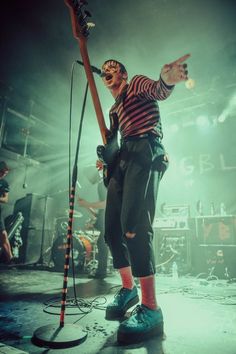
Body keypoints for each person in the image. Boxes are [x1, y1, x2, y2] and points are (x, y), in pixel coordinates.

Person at [98, 54, 190, 344]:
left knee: (133, 226)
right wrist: (106, 155)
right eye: (104, 70)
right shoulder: (113, 110)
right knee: (112, 231)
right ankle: (128, 289)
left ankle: (151, 307)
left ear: (123, 74)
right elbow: (113, 146)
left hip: (145, 148)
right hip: (123, 159)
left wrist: (167, 80)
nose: (107, 71)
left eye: (113, 68)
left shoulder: (136, 84)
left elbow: (157, 90)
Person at [78, 165, 109, 279]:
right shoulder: (102, 184)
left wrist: (88, 204)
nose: (88, 180)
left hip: (108, 220)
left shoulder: (102, 184)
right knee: (103, 245)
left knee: (103, 245)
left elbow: (106, 203)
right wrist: (87, 206)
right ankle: (102, 272)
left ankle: (101, 272)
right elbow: (101, 211)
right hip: (106, 218)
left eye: (88, 176)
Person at [0, 161, 14, 263]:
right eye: (3, 172)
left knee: (4, 235)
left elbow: (5, 199)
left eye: (5, 173)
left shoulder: (4, 183)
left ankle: (10, 259)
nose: (4, 174)